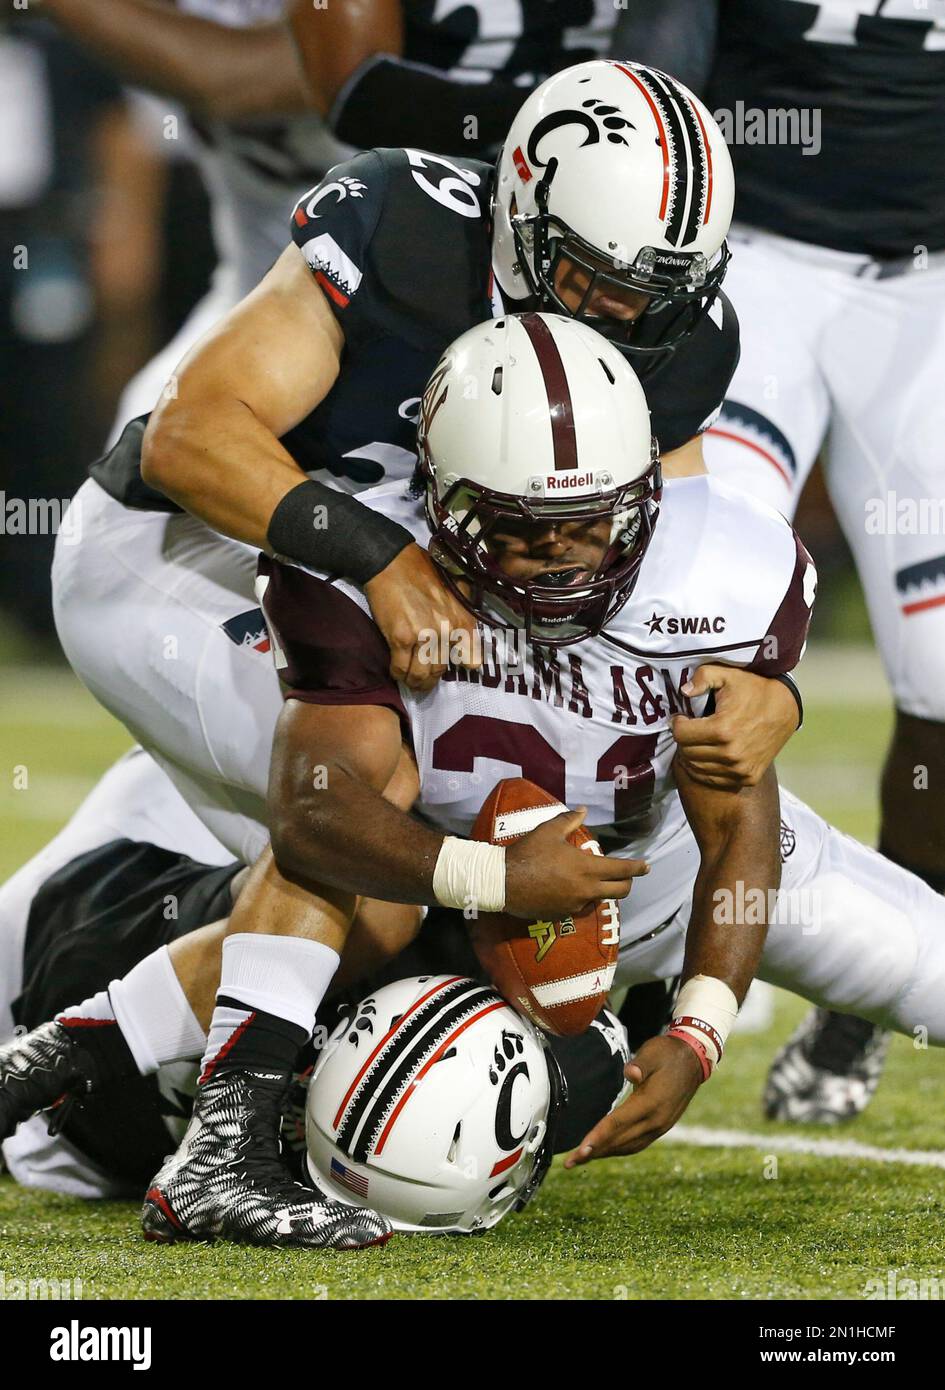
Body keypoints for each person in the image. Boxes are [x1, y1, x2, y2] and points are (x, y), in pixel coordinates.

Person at [15, 315, 944, 1249]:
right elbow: (316, 819)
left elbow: (739, 827)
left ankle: (76, 1049)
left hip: (657, 870)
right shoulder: (371, 566)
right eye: (524, 528)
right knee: (510, 1080)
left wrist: (700, 1031)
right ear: (444, 502)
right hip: (476, 905)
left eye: (594, 520)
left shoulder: (724, 569)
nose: (566, 554)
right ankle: (88, 1058)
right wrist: (495, 881)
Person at [615, 0, 945, 1121]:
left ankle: (850, 1005)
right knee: (682, 594)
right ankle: (639, 967)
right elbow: (660, 57)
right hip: (756, 258)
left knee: (944, 679)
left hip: (932, 284)